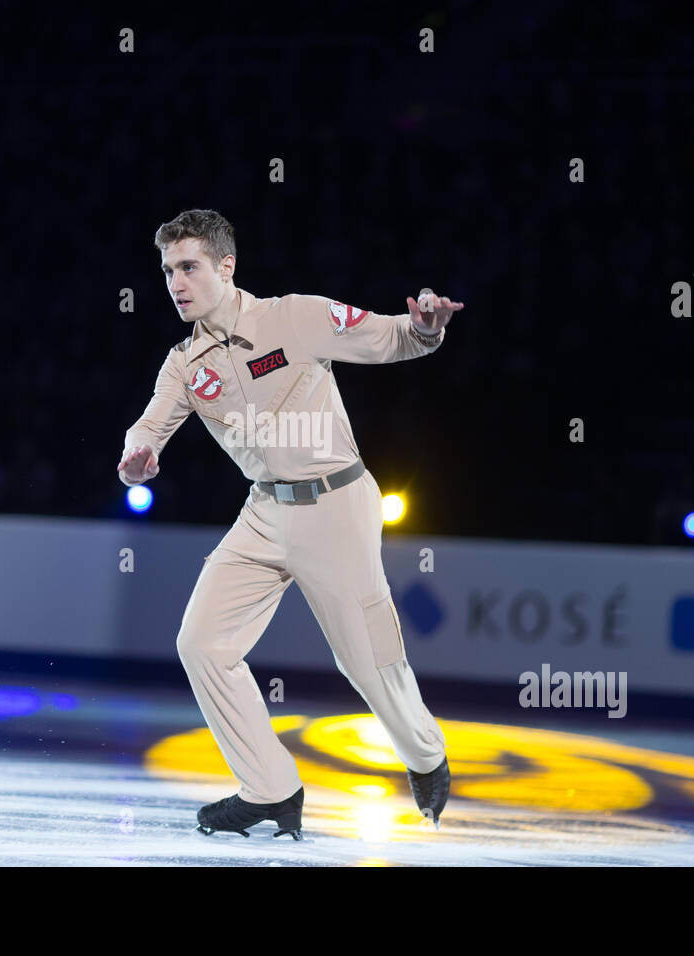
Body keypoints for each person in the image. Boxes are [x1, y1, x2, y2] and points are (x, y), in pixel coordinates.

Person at [118, 209, 464, 838]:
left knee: (366, 662)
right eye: (168, 270)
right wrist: (136, 461)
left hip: (336, 503)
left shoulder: (295, 317)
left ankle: (424, 754)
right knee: (202, 644)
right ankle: (271, 789)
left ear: (227, 266)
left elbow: (392, 337)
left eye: (189, 267)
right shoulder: (183, 363)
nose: (176, 282)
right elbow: (148, 426)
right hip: (264, 510)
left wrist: (425, 329)